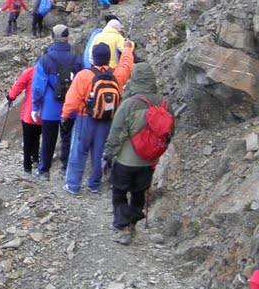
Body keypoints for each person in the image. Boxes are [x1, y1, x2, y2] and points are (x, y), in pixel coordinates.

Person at [103, 63, 171, 243]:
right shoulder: (164, 104)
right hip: (149, 161)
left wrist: (108, 154)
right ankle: (132, 224)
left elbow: (116, 132)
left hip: (126, 160)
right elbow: (169, 133)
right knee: (139, 193)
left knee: (119, 192)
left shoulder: (129, 105)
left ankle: (124, 228)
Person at [62, 38, 134, 194]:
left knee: (79, 150)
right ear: (109, 57)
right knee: (99, 151)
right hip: (107, 119)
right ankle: (94, 184)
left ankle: (73, 185)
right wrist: (127, 49)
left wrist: (65, 116)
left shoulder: (83, 76)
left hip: (85, 118)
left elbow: (72, 100)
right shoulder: (116, 74)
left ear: (93, 58)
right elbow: (127, 66)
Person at [29, 23, 83, 180]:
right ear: (67, 38)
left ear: (52, 38)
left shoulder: (45, 60)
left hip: (50, 108)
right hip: (71, 108)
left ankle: (44, 170)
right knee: (68, 138)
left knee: (48, 140)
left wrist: (35, 106)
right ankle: (66, 168)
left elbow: (38, 87)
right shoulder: (77, 60)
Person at [5, 62, 41, 177]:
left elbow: (18, 86)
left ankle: (27, 166)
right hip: (45, 113)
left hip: (29, 113)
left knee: (28, 139)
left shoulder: (30, 72)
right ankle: (36, 158)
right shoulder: (53, 72)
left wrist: (11, 97)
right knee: (37, 136)